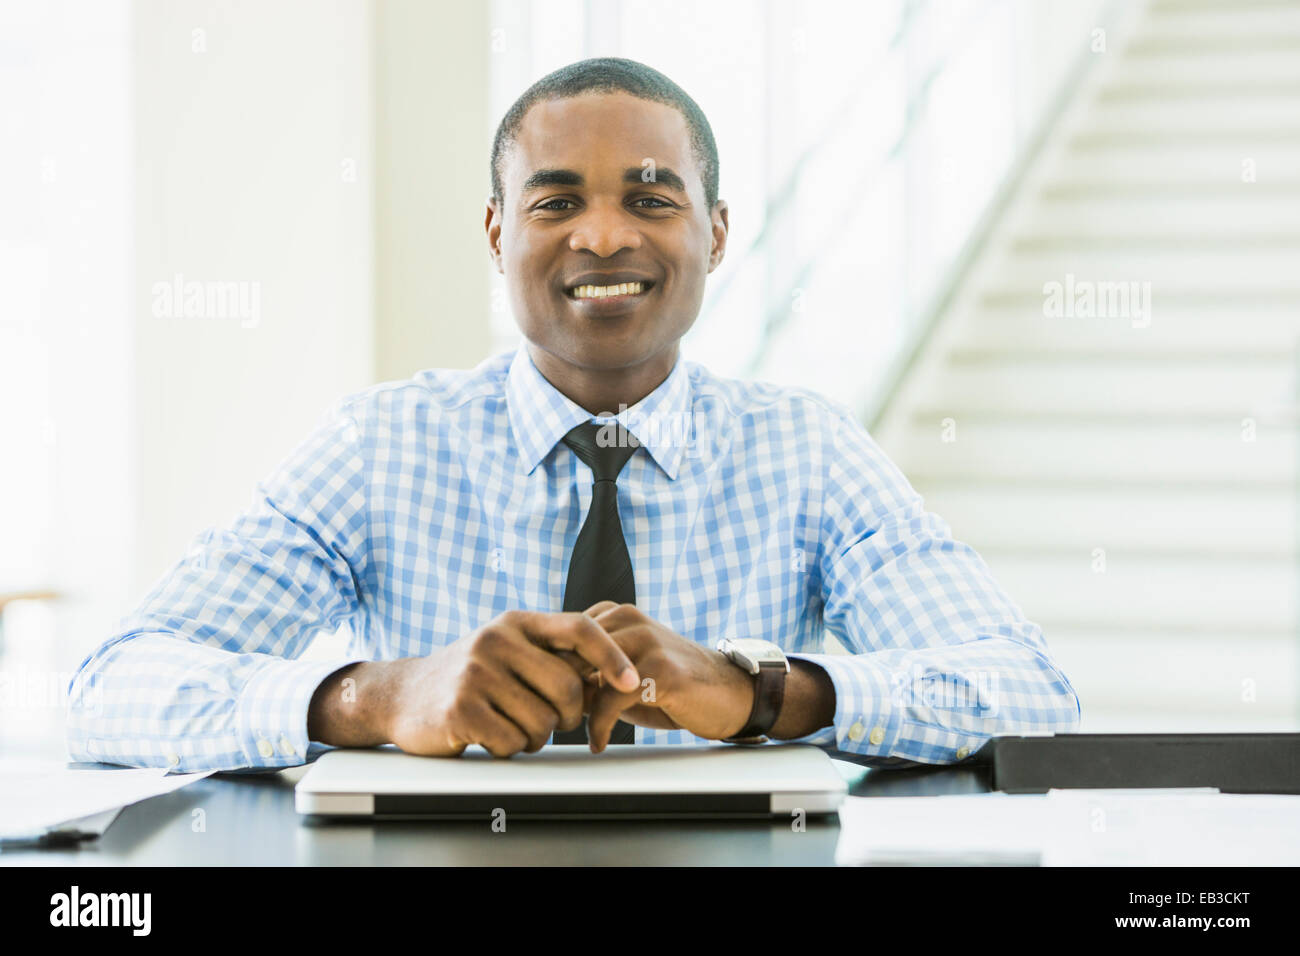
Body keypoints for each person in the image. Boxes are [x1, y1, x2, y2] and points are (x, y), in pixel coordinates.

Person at [67, 57, 1080, 772]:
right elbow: (113, 684)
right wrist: (372, 697)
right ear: (497, 233)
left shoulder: (806, 448)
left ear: (715, 234)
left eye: (650, 200)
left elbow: (1030, 691)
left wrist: (763, 693)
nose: (601, 236)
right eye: (554, 203)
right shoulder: (380, 444)